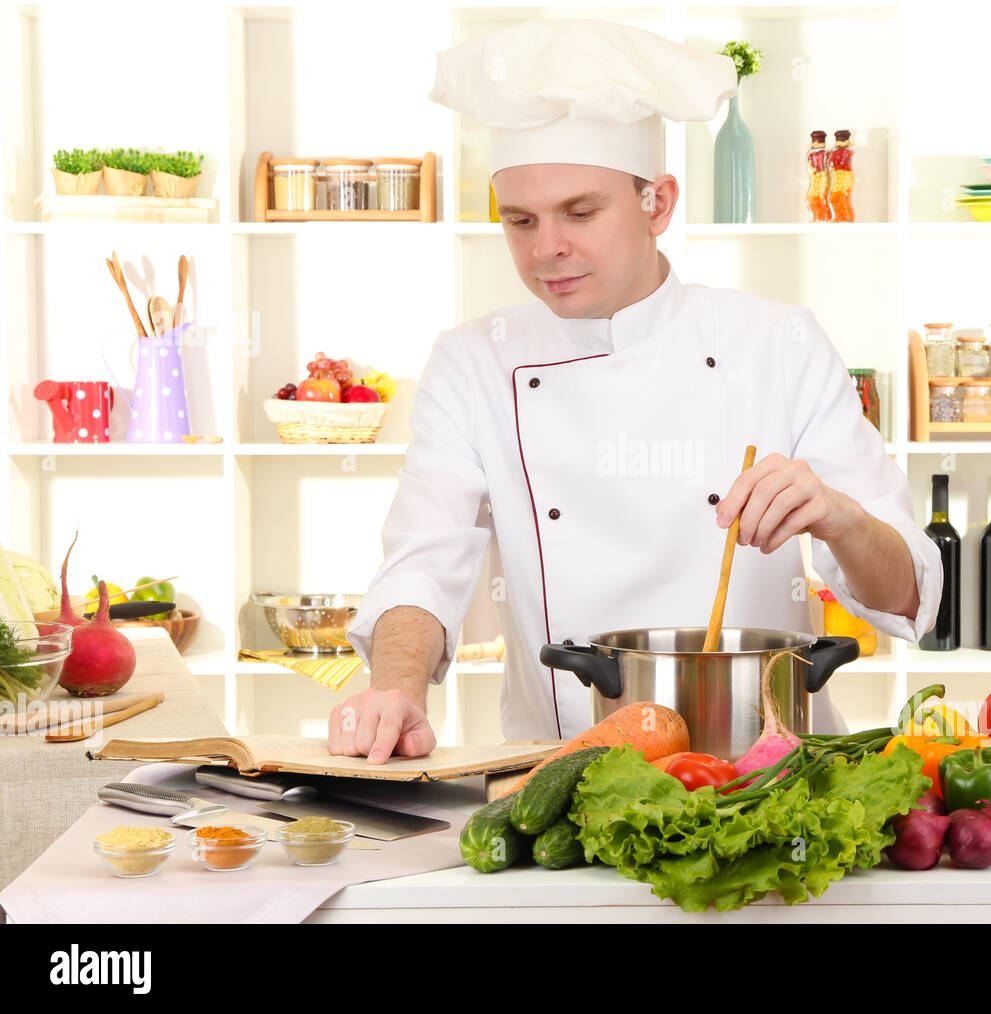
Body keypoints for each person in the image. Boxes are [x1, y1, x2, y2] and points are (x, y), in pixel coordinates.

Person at [330, 19, 940, 763]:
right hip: (560, 778)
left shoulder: (776, 343)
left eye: (579, 212)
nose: (545, 248)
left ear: (658, 204)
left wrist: (842, 518)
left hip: (768, 772)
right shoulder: (472, 362)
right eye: (519, 221)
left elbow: (907, 596)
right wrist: (396, 687)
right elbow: (423, 558)